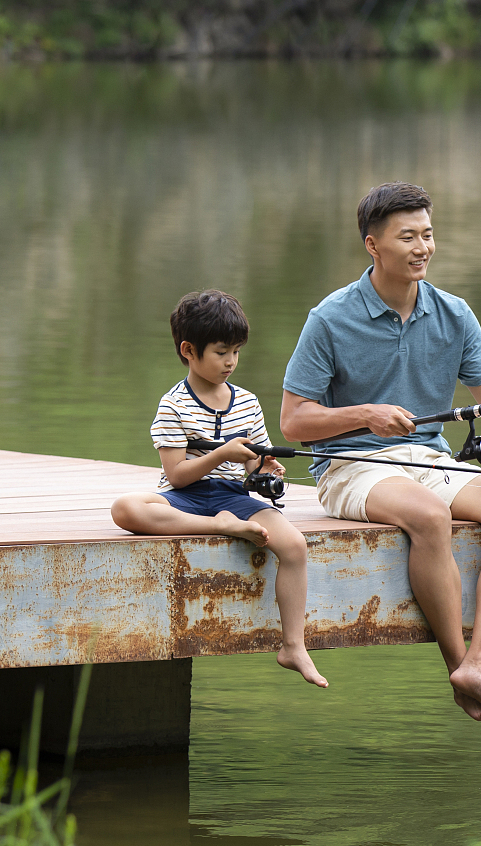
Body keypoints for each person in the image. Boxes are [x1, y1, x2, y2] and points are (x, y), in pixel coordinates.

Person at [280, 182, 481, 722]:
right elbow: (293, 420)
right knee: (430, 515)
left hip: (427, 458)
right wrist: (364, 414)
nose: (422, 246)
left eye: (427, 234)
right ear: (373, 246)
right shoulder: (330, 318)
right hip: (350, 466)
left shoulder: (453, 314)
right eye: (407, 237)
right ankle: (457, 666)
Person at [111, 291, 328, 688]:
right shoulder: (172, 405)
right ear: (189, 351)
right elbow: (177, 475)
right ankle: (218, 527)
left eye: (236, 352)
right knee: (124, 508)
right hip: (186, 497)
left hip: (233, 497)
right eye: (221, 352)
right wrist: (222, 454)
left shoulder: (246, 402)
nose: (231, 362)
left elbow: (251, 462)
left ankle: (294, 645)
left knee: (294, 545)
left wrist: (265, 467)